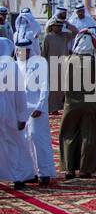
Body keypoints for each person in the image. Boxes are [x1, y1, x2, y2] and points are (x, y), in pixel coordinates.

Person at [59, 31, 96, 178]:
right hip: (91, 105)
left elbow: (60, 82)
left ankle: (69, 169)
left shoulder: (68, 60)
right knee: (89, 135)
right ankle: (85, 169)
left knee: (69, 134)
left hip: (71, 105)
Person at [0, 38, 35, 189]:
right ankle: (17, 178)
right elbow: (20, 94)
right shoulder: (12, 66)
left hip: (6, 108)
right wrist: (22, 116)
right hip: (8, 111)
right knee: (14, 144)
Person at [21, 37, 55, 185]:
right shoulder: (16, 65)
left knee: (38, 139)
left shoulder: (39, 63)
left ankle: (45, 173)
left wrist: (40, 106)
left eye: (24, 50)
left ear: (30, 49)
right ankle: (30, 172)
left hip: (36, 109)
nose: (21, 53)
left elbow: (45, 86)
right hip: (21, 109)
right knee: (24, 140)